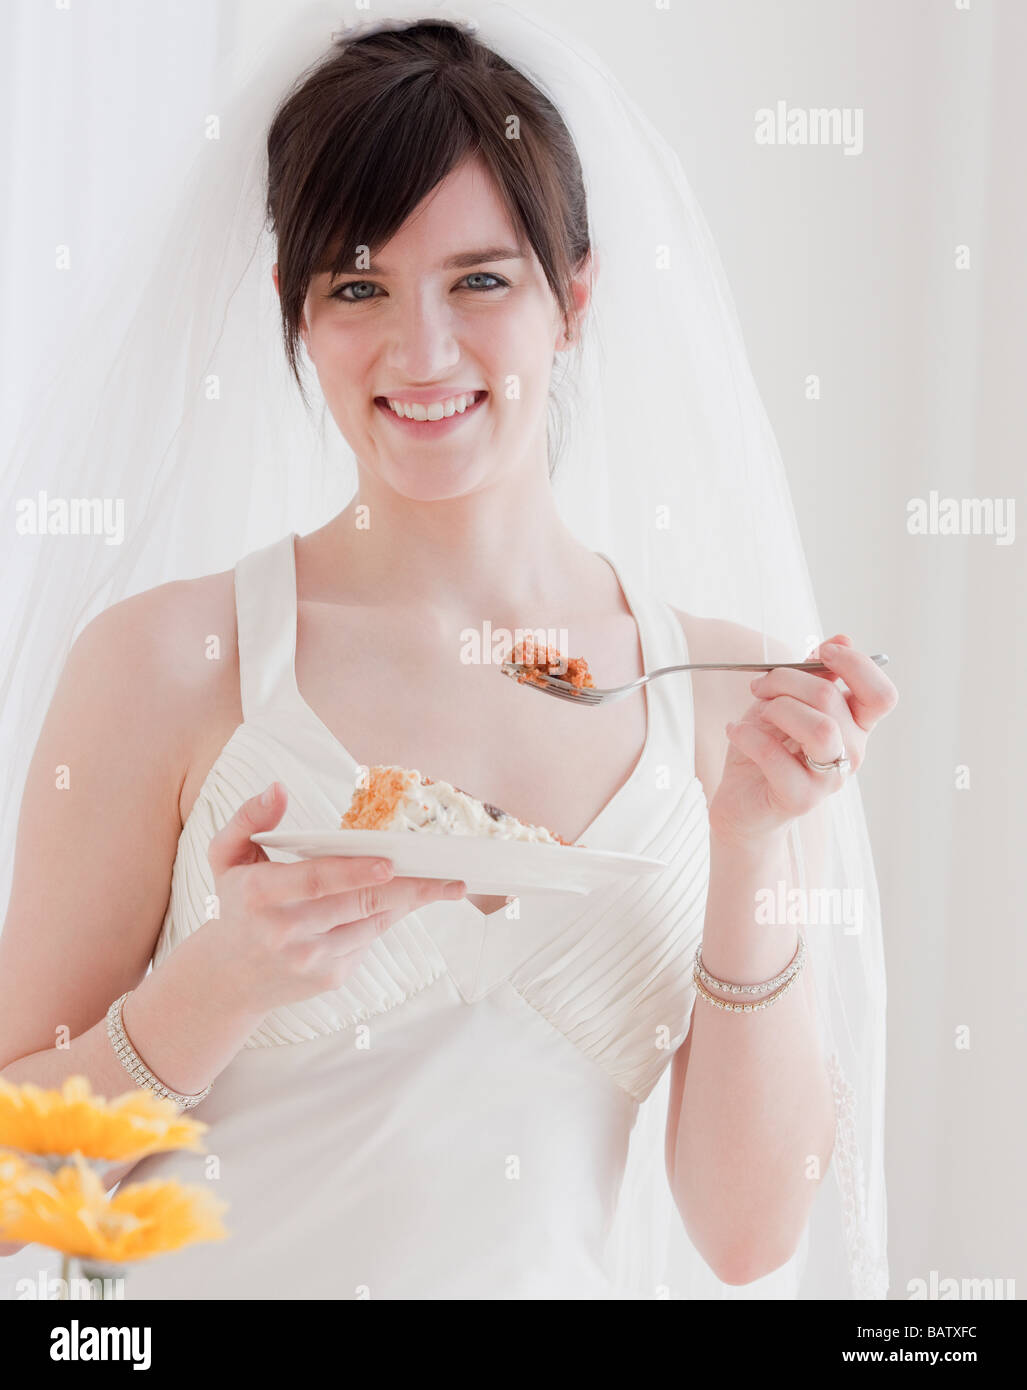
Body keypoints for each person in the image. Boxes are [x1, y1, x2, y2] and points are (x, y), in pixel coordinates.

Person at [0, 4, 897, 1298]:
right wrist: (217, 986)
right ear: (295, 313)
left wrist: (754, 835)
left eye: (480, 278)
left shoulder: (727, 707)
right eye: (358, 285)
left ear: (572, 294)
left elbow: (748, 1236)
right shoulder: (170, 663)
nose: (421, 353)